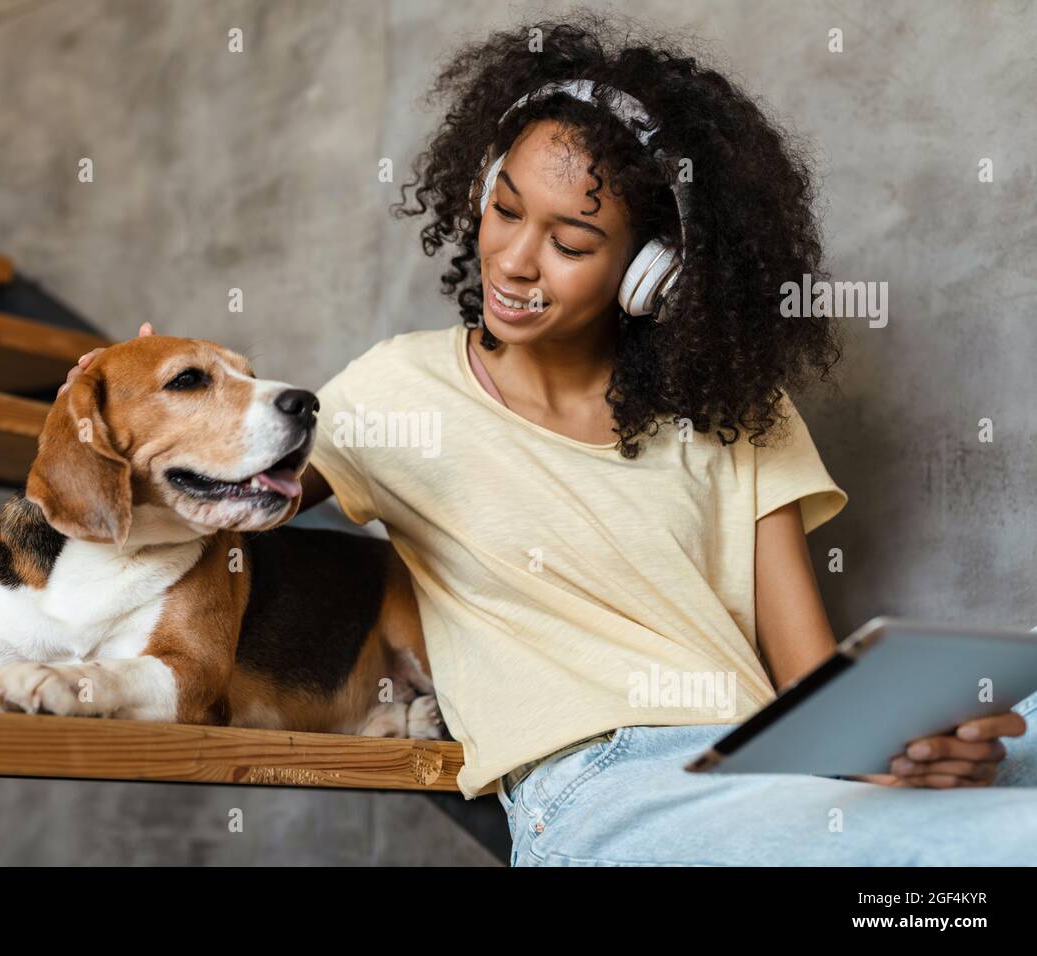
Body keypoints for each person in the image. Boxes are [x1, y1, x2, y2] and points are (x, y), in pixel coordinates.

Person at [62, 12, 1037, 865]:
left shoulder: (732, 406)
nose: (516, 261)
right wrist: (147, 407)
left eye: (572, 242)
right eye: (503, 209)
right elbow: (223, 504)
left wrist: (899, 746)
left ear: (652, 269)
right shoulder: (400, 387)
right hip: (609, 790)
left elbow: (807, 670)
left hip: (766, 753)